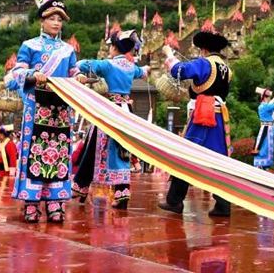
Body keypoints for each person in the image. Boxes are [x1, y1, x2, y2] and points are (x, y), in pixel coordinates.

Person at [7, 0, 85, 223]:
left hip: (61, 110)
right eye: (52, 17)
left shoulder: (68, 50)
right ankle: (31, 204)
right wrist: (34, 73)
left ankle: (55, 202)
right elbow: (17, 72)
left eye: (60, 19)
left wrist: (80, 76)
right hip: (36, 107)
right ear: (42, 20)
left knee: (60, 153)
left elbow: (74, 71)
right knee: (34, 152)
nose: (56, 22)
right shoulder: (29, 46)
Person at [158, 30, 233, 217]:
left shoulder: (205, 63)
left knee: (187, 156)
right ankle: (223, 205)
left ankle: (174, 201)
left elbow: (179, 71)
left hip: (203, 116)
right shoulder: (226, 69)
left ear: (204, 50)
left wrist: (169, 55)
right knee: (218, 161)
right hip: (219, 117)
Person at [73, 29, 149, 209]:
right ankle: (122, 193)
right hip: (126, 111)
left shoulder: (109, 65)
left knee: (93, 147)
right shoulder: (131, 67)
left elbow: (81, 64)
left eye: (111, 47)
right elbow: (144, 72)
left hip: (109, 110)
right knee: (123, 150)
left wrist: (90, 69)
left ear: (115, 47)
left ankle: (81, 187)